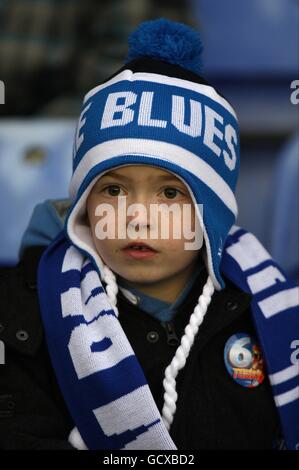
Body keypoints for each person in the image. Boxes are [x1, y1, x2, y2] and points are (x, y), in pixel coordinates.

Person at [0, 19, 298, 451]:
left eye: (171, 192)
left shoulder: (264, 307)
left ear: (210, 214)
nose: (137, 218)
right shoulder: (25, 314)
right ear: (85, 203)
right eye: (114, 189)